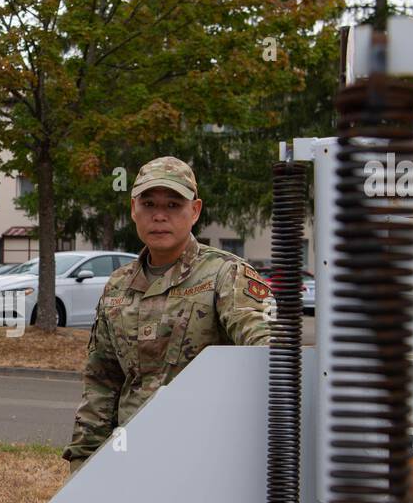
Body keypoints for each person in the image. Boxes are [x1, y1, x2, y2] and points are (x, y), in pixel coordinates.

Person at [62, 156, 271, 470]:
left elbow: (267, 348)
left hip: (205, 457)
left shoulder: (226, 275)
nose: (159, 216)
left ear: (195, 210)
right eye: (148, 204)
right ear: (133, 209)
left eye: (174, 205)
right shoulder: (118, 286)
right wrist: (83, 464)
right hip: (131, 454)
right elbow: (102, 381)